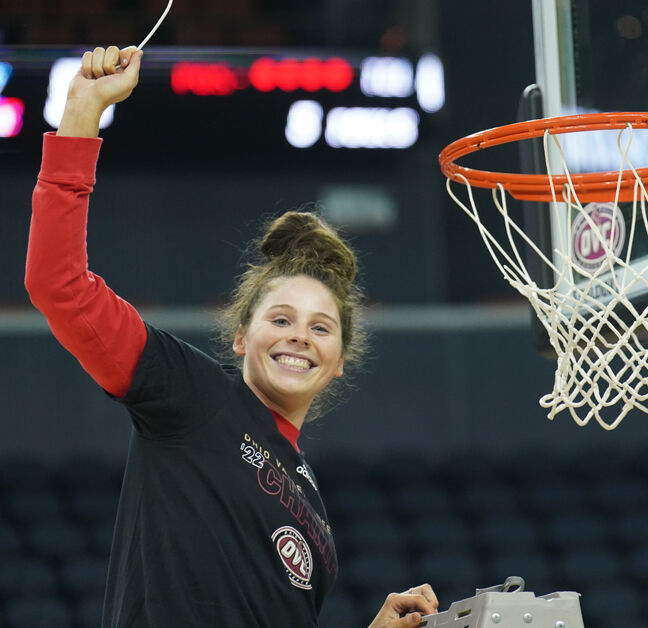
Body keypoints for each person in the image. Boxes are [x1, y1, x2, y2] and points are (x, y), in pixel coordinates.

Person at [25, 44, 438, 627]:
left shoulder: (314, 516)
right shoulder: (192, 395)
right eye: (280, 319)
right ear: (241, 338)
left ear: (340, 358)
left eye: (321, 327)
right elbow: (58, 284)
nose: (299, 336)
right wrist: (82, 113)